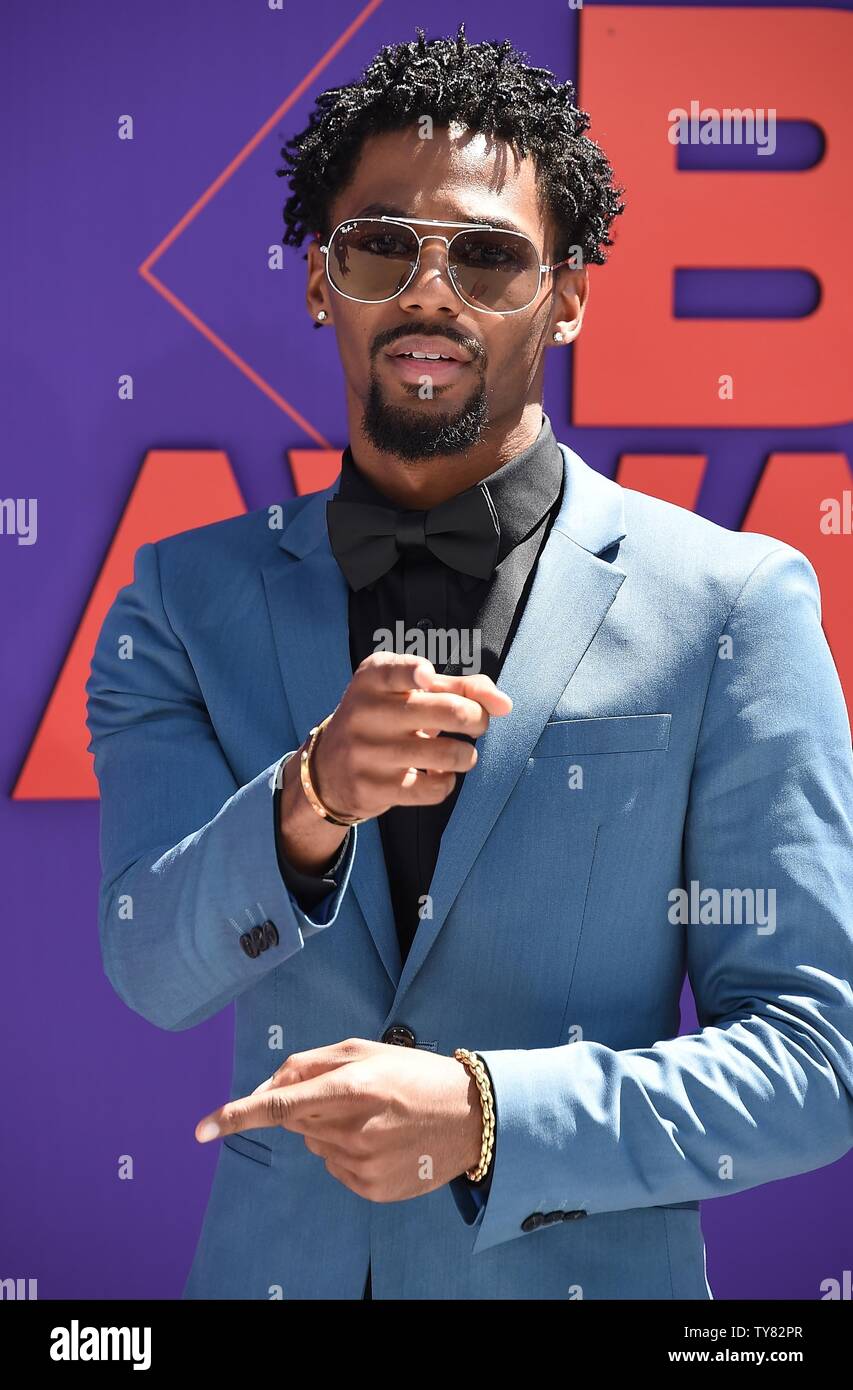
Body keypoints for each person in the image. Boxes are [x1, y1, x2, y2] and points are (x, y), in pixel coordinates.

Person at [85, 26, 853, 1300]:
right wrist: (310, 799)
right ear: (324, 280)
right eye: (384, 244)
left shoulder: (732, 604)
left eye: (489, 257)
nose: (431, 293)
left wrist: (484, 1113)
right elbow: (151, 966)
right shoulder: (180, 600)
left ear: (568, 295)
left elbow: (817, 1061)